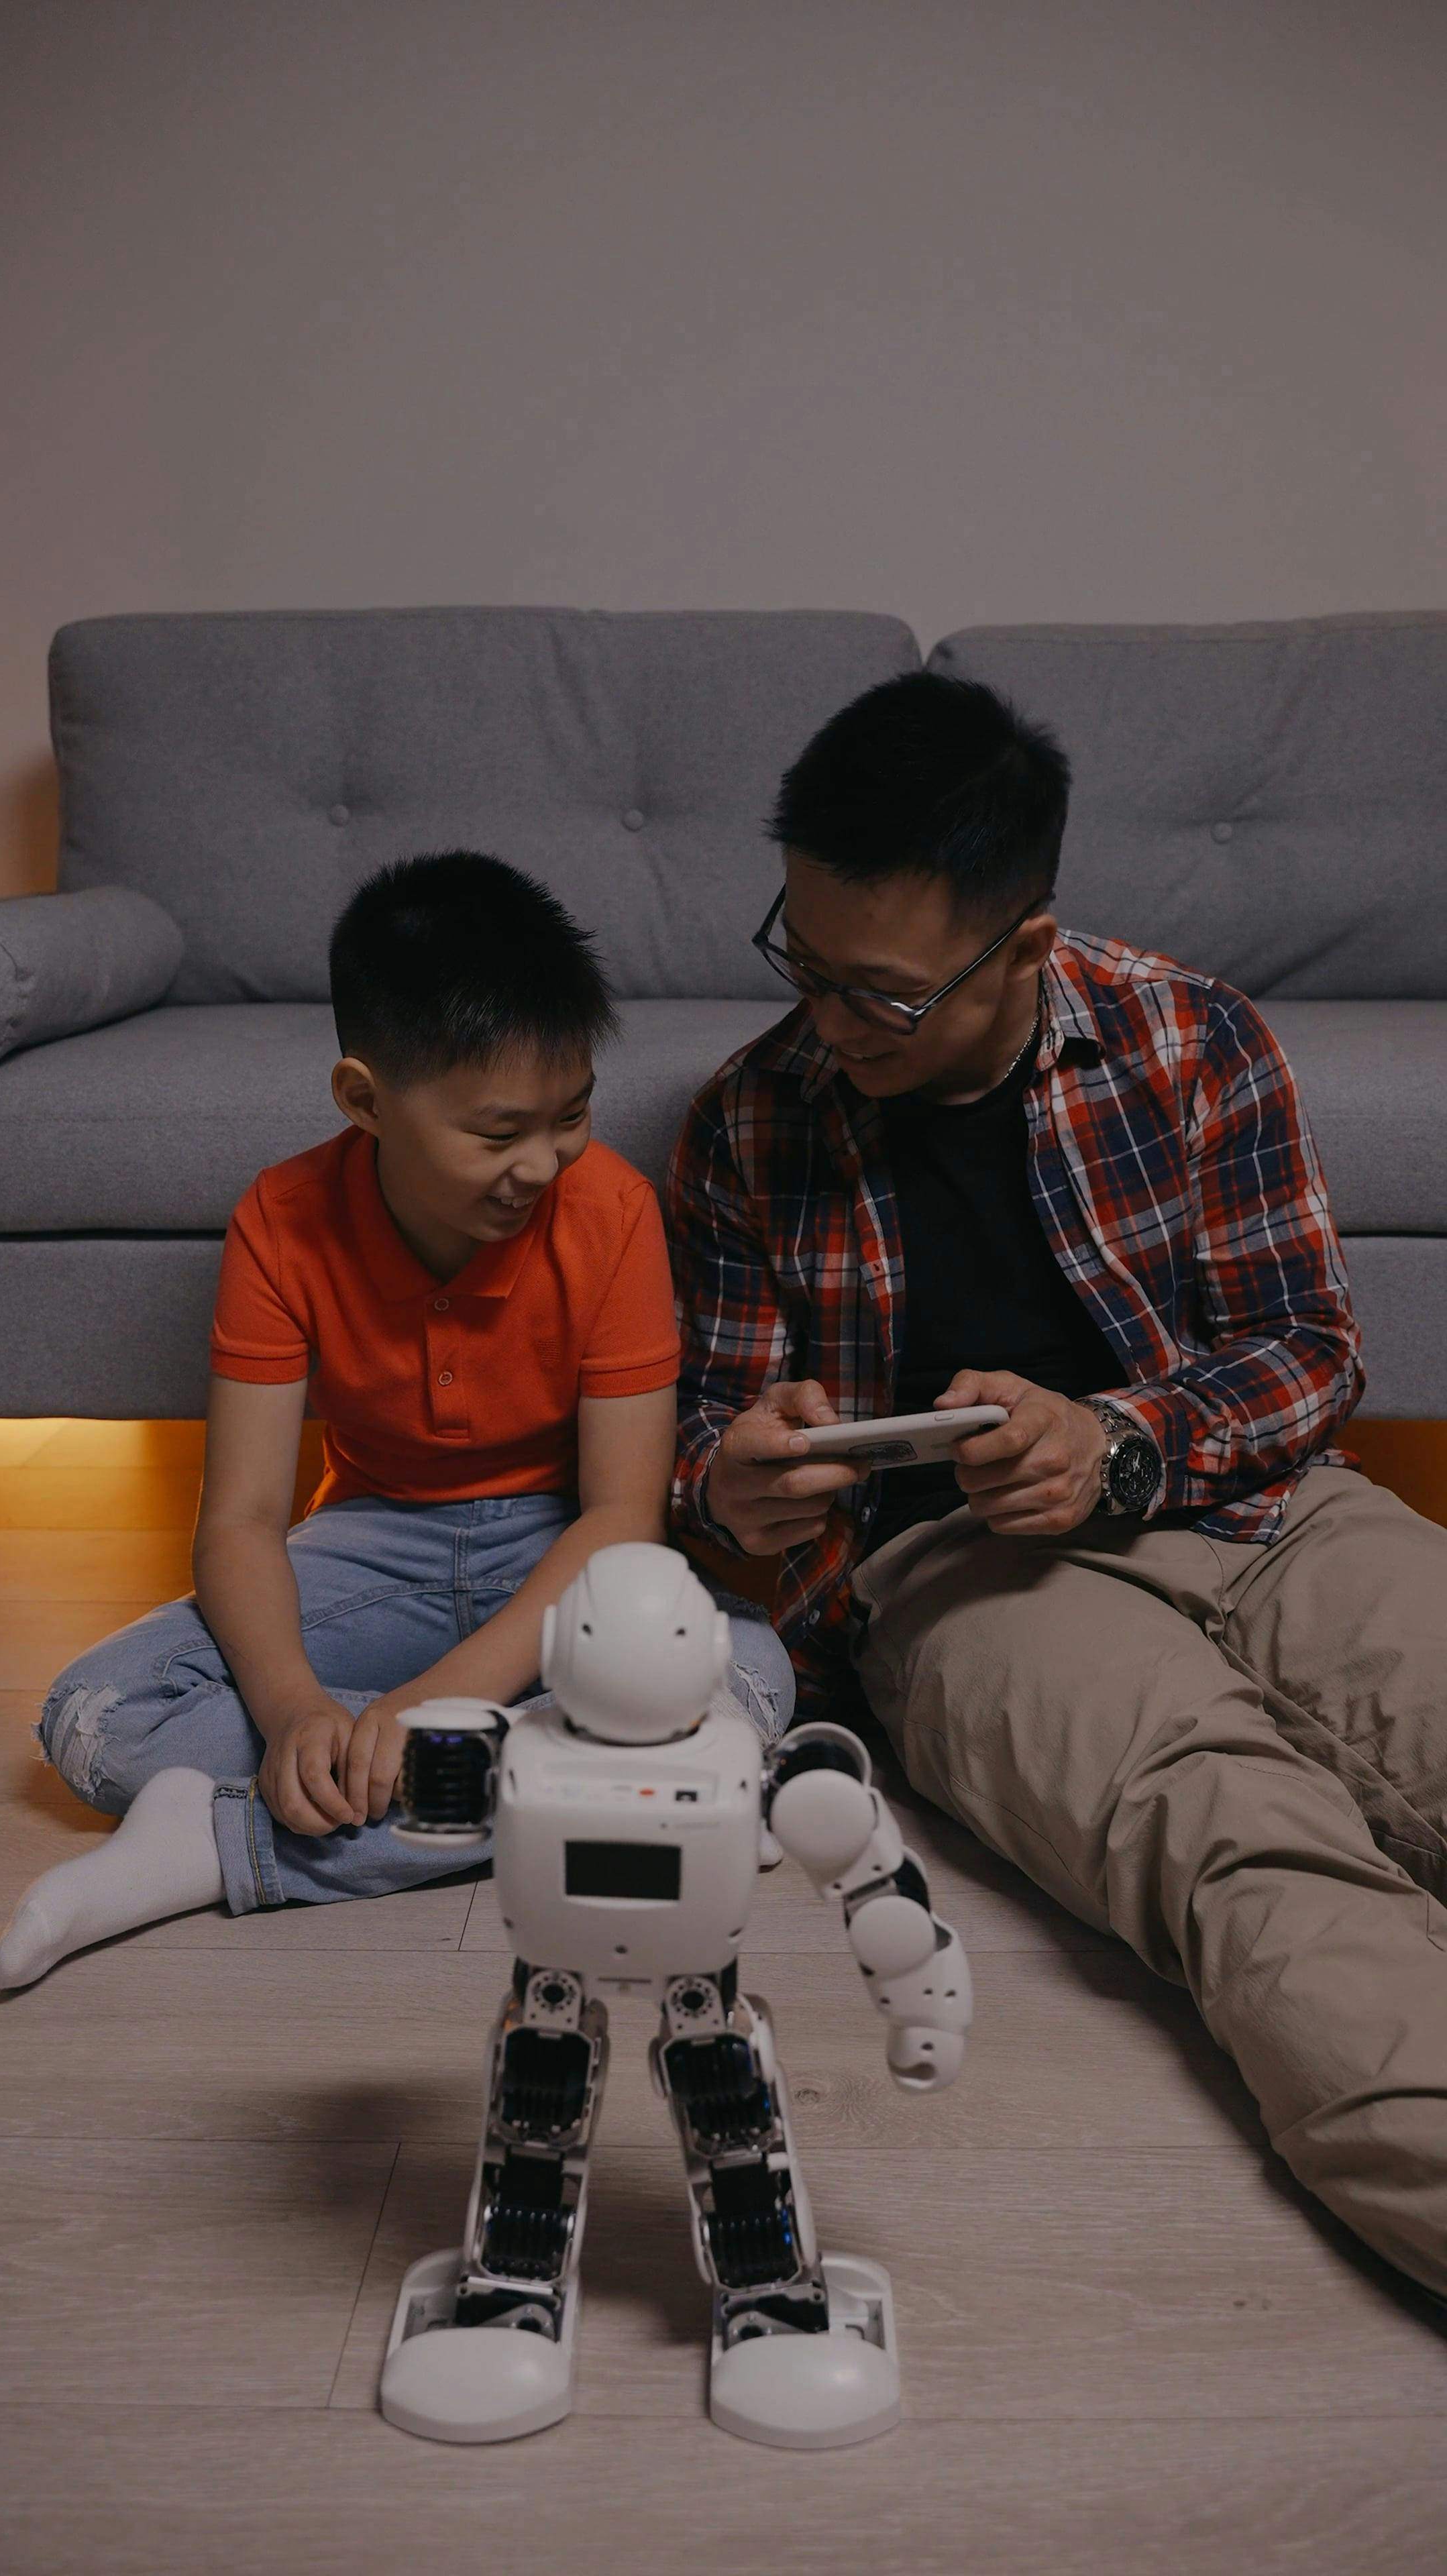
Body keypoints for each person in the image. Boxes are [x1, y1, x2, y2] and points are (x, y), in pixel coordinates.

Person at [666, 670, 1447, 2302]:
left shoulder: (1191, 1034)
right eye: (800, 964)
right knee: (1244, 1844)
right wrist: (729, 1485)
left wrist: (1123, 1440)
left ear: (1022, 946)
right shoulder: (749, 1121)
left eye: (874, 997)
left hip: (1261, 1508)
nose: (822, 1022)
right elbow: (700, 1440)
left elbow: (1309, 1345)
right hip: (952, 1582)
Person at [0, 853, 792, 1988]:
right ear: (364, 1100)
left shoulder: (613, 1211)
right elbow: (243, 1521)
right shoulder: (281, 1221)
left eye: (570, 1116)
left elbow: (622, 1519)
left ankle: (206, 1845)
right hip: (375, 1549)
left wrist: (436, 1707)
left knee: (751, 1674)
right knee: (90, 1711)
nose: (541, 1163)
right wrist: (291, 1715)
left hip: (559, 1551)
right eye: (498, 1133)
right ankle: (603, 1797)